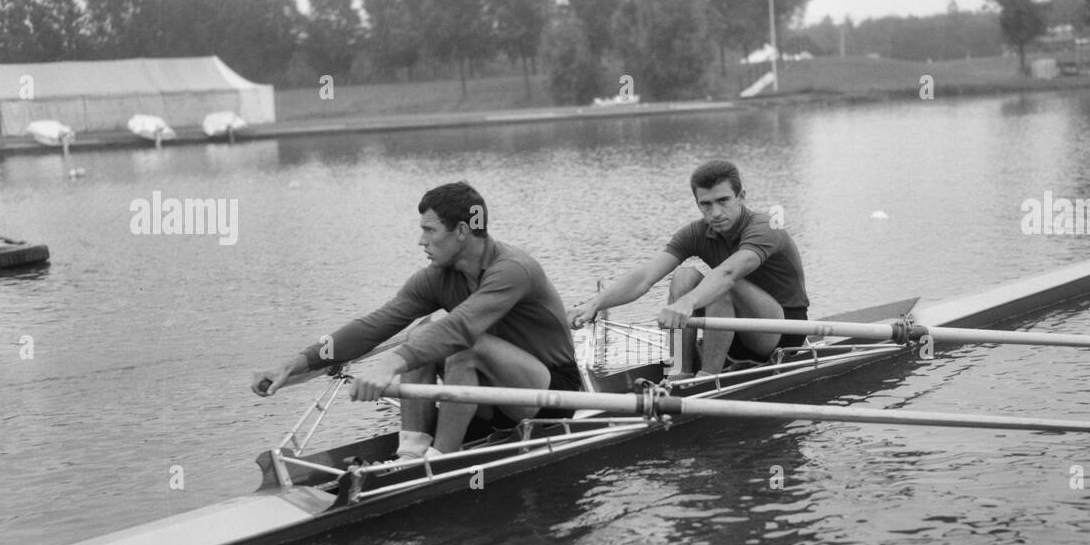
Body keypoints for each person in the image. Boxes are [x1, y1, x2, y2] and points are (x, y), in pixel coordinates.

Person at [250, 181, 580, 457]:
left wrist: (390, 365)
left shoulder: (512, 269)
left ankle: (440, 461)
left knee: (461, 343)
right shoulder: (436, 278)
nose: (420, 241)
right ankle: (410, 452)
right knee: (420, 334)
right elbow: (372, 327)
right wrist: (294, 365)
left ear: (462, 231)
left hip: (550, 396)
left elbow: (461, 327)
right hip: (491, 396)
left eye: (429, 230)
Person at [566, 160, 810, 374]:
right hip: (733, 333)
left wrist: (687, 303)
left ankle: (708, 377)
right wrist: (594, 304)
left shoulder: (767, 226)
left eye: (723, 200)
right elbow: (645, 277)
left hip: (782, 332)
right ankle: (679, 373)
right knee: (684, 275)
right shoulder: (695, 233)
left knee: (721, 283)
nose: (715, 213)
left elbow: (729, 273)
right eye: (706, 204)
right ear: (697, 204)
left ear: (741, 196)